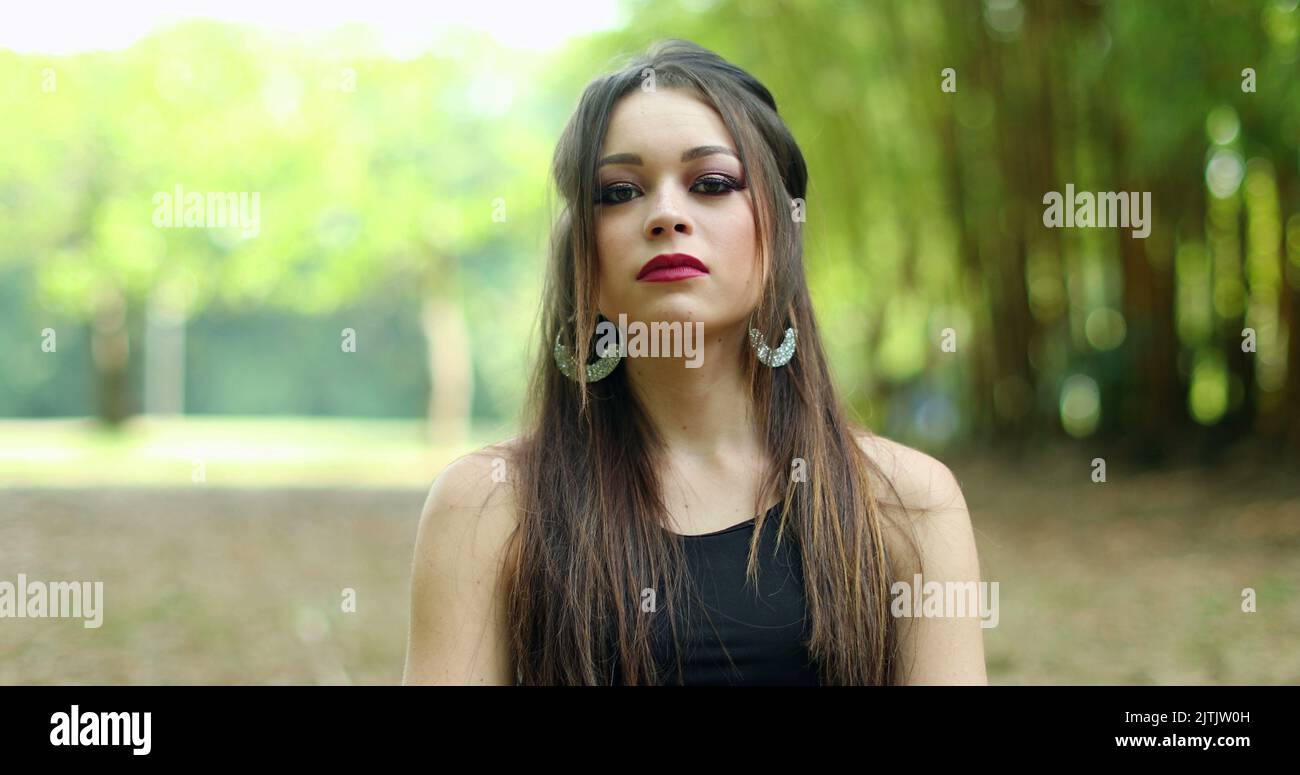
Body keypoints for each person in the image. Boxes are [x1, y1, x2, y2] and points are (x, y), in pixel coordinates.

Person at [403, 38, 987, 685]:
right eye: (620, 191)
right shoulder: (489, 507)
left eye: (711, 183)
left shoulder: (907, 506)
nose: (666, 215)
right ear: (583, 262)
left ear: (781, 236)